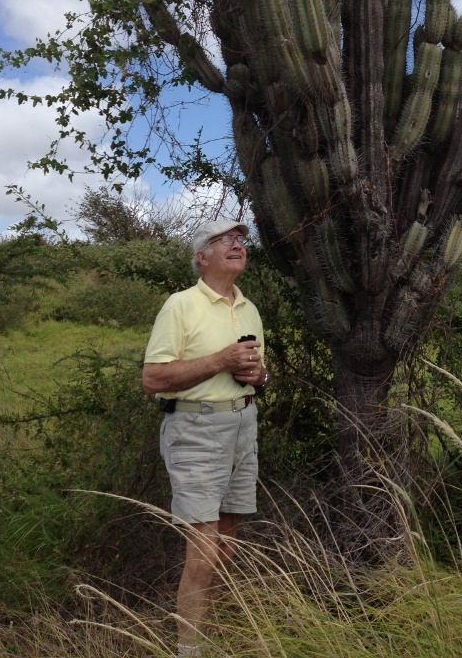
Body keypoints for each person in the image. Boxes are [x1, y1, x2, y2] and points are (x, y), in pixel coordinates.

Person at [142, 218, 269, 657]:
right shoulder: (180, 305)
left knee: (227, 544)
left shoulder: (249, 308)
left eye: (241, 239)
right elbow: (152, 378)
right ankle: (187, 651)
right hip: (195, 430)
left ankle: (204, 637)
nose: (238, 245)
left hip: (243, 425)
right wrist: (220, 361)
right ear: (202, 256)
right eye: (225, 240)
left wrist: (259, 376)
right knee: (204, 547)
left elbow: (259, 375)